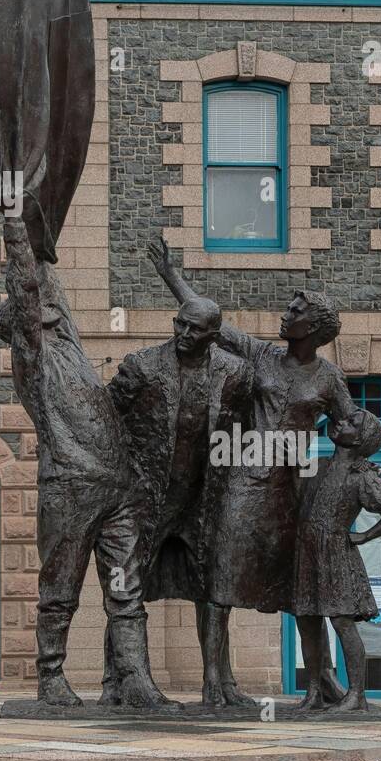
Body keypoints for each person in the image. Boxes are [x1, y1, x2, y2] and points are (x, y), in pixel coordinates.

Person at [148, 237, 356, 707]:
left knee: (301, 589)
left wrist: (348, 478)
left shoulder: (328, 379)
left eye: (295, 310)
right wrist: (171, 276)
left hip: (291, 492)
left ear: (314, 327)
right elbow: (212, 325)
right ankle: (216, 686)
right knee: (218, 583)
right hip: (240, 484)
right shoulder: (261, 356)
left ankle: (321, 680)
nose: (286, 313)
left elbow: (353, 428)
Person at [0, 215, 167, 708]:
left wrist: (37, 222)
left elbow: (46, 285)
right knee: (61, 586)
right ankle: (51, 678)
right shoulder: (31, 358)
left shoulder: (68, 342)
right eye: (40, 307)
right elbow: (27, 294)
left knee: (125, 589)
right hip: (69, 489)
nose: (52, 308)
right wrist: (15, 229)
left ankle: (135, 680)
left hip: (115, 490)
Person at [102, 292, 253, 707]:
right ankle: (118, 683)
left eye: (194, 329)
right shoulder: (142, 366)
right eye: (179, 324)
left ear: (214, 335)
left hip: (203, 498)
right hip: (145, 498)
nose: (184, 333)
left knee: (213, 589)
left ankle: (220, 684)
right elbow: (103, 421)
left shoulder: (236, 374)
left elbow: (243, 433)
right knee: (125, 585)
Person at [291, 409, 381, 713]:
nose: (341, 422)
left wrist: (365, 536)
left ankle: (356, 694)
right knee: (307, 620)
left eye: (352, 423)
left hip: (337, 554)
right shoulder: (319, 467)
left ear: (361, 439)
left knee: (341, 622)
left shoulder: (362, 475)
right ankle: (314, 690)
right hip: (307, 552)